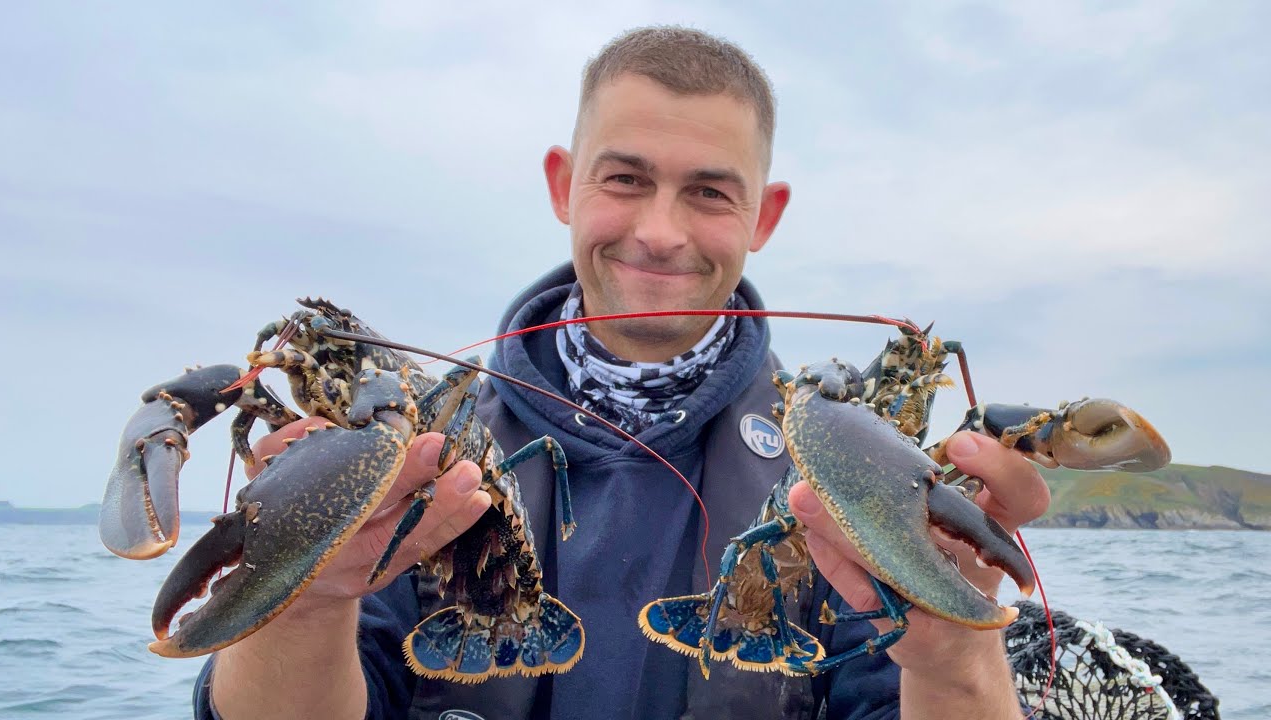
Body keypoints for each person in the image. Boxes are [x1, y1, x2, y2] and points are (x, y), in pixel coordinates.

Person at [195, 26, 1050, 720]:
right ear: (564, 186)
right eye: (626, 179)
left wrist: (960, 653)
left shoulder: (845, 465)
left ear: (766, 212)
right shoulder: (413, 440)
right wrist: (302, 603)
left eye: (710, 193)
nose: (661, 232)